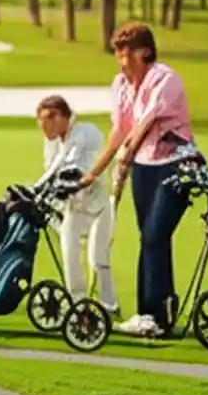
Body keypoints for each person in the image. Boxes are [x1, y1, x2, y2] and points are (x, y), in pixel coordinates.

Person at [80, 22, 195, 338]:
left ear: (145, 51)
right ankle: (155, 313)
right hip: (145, 167)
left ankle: (153, 316)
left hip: (177, 166)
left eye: (127, 50)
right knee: (150, 237)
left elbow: (146, 122)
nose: (121, 57)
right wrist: (95, 172)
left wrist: (127, 154)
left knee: (156, 235)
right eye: (118, 51)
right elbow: (120, 130)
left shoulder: (165, 79)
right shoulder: (121, 84)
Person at [35, 94, 119, 319]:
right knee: (69, 253)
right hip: (73, 208)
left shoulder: (87, 132)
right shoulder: (51, 143)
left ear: (61, 117)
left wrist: (72, 182)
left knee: (98, 259)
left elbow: (85, 167)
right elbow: (50, 171)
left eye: (48, 120)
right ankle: (77, 305)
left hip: (99, 206)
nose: (45, 128)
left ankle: (109, 306)